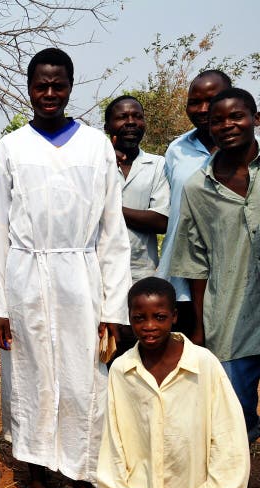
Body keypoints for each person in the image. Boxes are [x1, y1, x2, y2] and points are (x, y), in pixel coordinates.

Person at [0, 48, 131, 488]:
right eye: (41, 85)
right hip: (25, 278)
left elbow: (112, 232)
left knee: (85, 386)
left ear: (69, 86)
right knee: (29, 380)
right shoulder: (10, 149)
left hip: (81, 279)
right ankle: (38, 482)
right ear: (29, 87)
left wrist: (113, 308)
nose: (49, 93)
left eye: (57, 85)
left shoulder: (96, 147)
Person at [98, 277, 249, 488]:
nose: (149, 326)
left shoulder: (203, 364)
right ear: (129, 318)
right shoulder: (122, 370)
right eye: (139, 318)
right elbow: (113, 442)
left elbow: (230, 439)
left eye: (160, 317)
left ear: (174, 316)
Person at [170, 88, 260, 447]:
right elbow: (195, 264)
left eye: (236, 116)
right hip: (228, 320)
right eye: (217, 120)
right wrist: (200, 329)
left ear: (255, 118)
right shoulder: (198, 188)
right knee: (233, 421)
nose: (227, 125)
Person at [156, 70, 232, 337]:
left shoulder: (252, 149)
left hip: (233, 277)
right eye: (194, 102)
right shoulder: (176, 149)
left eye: (210, 101)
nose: (201, 110)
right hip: (182, 281)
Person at [104, 95, 170, 356]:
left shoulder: (157, 165)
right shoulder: (98, 163)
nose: (131, 122)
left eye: (137, 116)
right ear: (108, 125)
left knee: (141, 352)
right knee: (105, 350)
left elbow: (161, 220)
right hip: (101, 276)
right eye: (122, 117)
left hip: (143, 275)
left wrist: (109, 210)